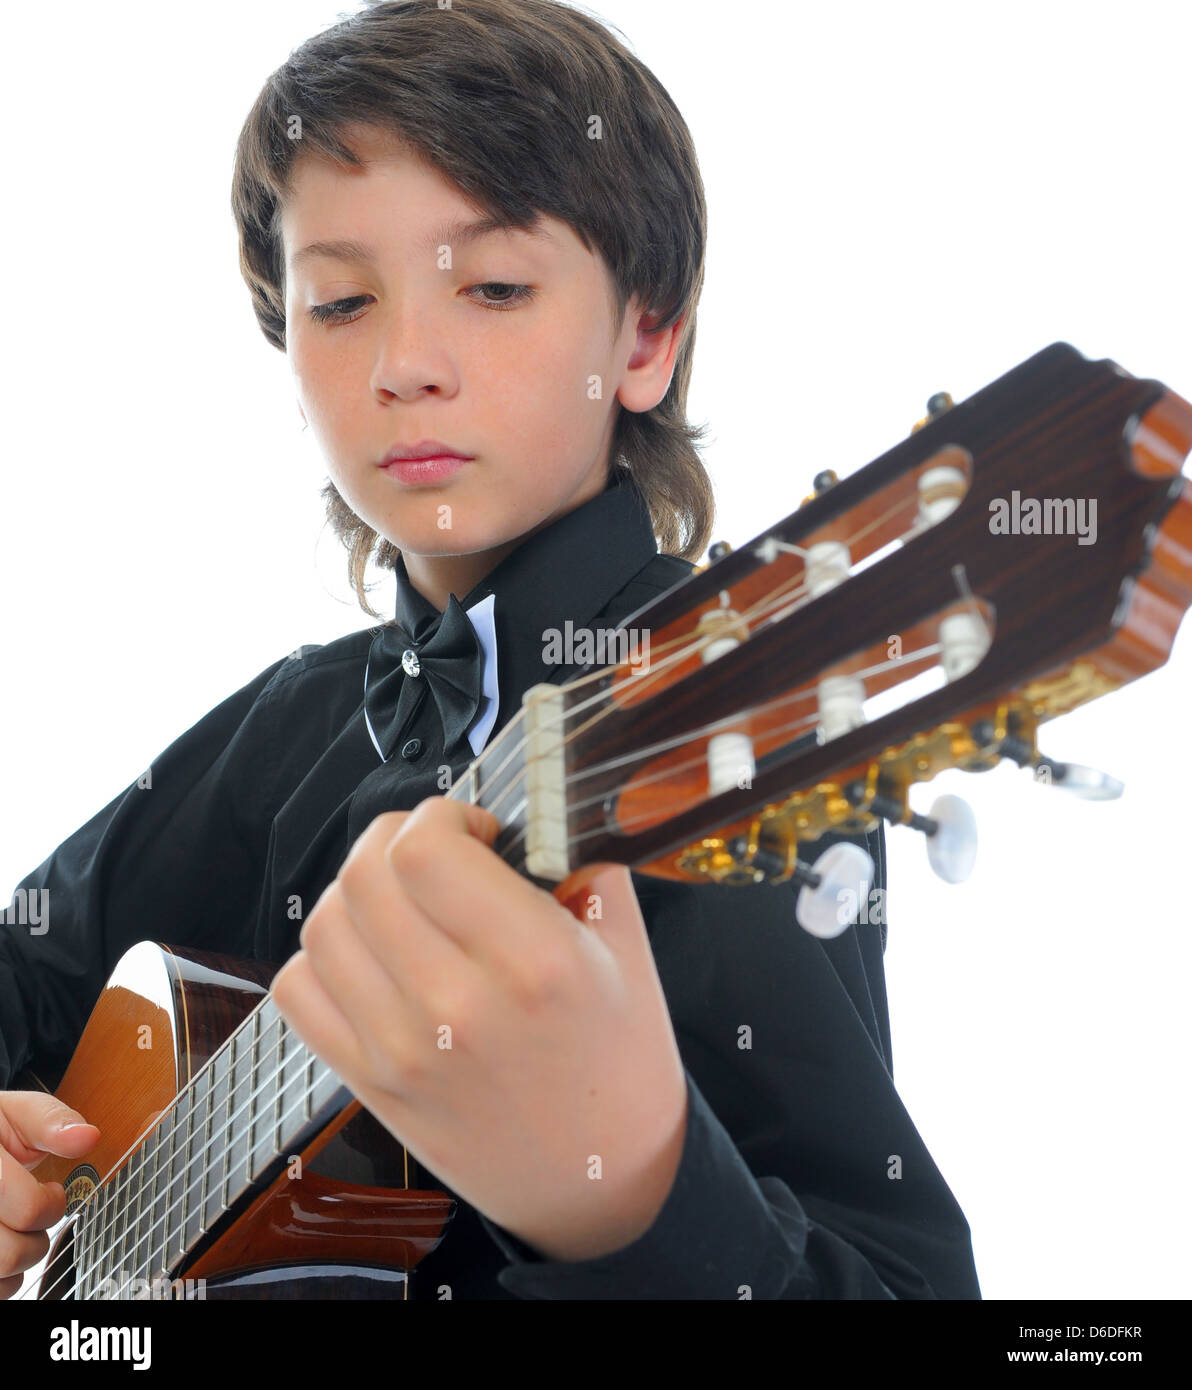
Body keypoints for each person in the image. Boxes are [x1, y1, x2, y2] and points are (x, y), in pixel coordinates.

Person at [0, 0, 980, 1299]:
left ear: (645, 335)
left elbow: (902, 1278)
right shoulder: (294, 720)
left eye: (497, 287)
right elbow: (27, 965)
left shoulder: (723, 719)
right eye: (342, 301)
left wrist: (633, 1191)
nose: (406, 362)